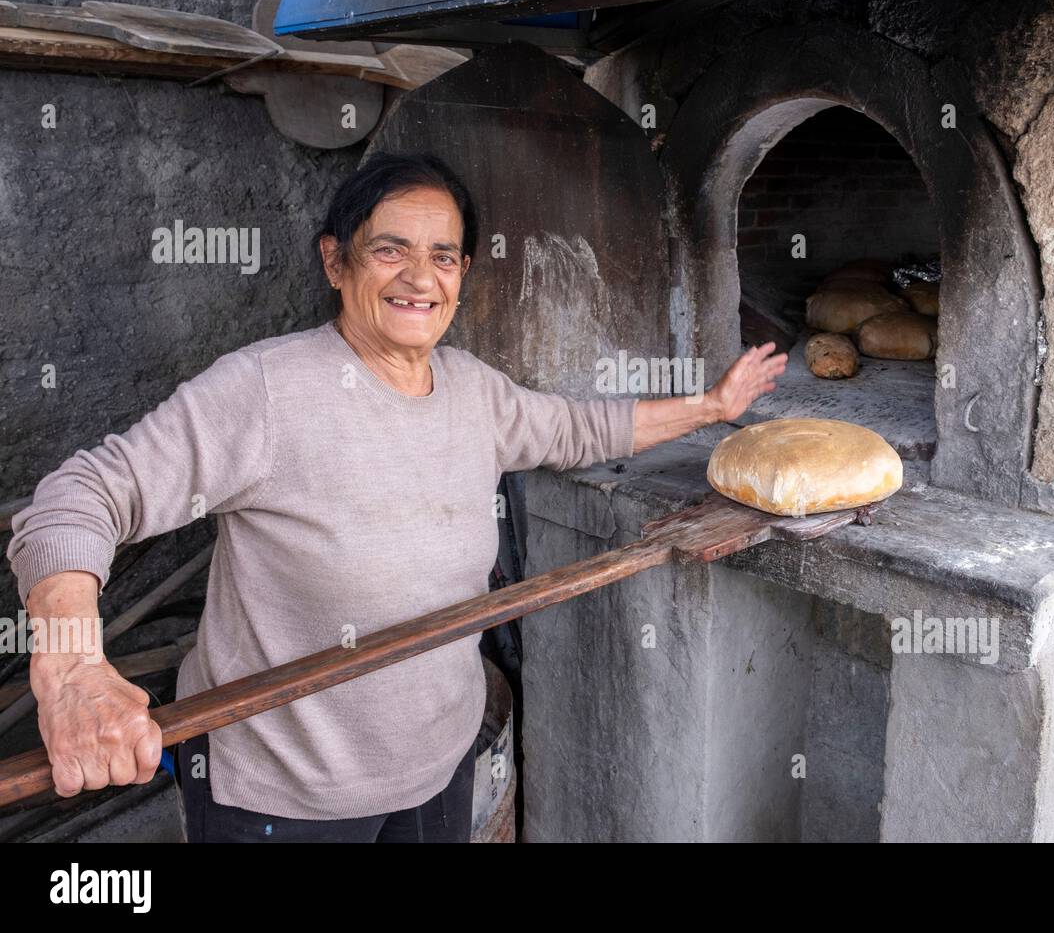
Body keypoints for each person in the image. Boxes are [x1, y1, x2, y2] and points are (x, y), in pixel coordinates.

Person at [6, 152, 787, 842]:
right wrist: (72, 669)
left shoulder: (473, 390)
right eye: (391, 250)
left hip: (434, 775)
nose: (421, 277)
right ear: (336, 263)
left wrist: (711, 408)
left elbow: (582, 427)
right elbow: (78, 497)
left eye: (443, 256)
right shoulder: (267, 392)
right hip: (283, 799)